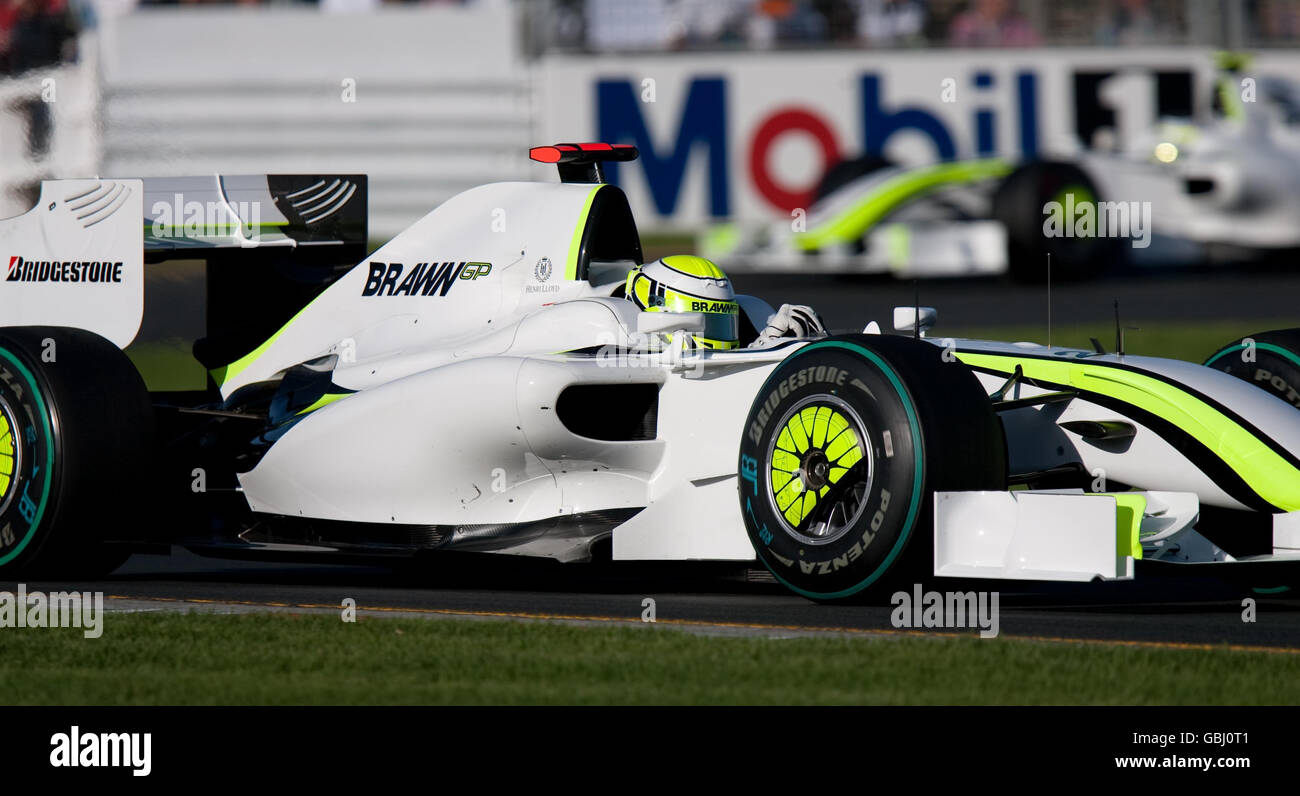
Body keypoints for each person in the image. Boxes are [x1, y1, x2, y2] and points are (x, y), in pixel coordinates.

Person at [624, 255, 827, 350]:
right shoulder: (614, 349)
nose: (720, 336)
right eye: (706, 322)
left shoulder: (750, 314)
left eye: (722, 322)